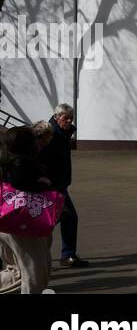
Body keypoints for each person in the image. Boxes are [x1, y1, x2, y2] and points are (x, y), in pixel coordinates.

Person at [0, 125, 55, 293]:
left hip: (8, 219)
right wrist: (41, 183)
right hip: (23, 222)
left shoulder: (6, 158)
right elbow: (20, 181)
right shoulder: (21, 161)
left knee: (16, 271)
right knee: (34, 273)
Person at [44, 104, 85, 269]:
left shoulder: (62, 134)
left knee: (60, 218)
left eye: (71, 118)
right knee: (66, 217)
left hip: (59, 183)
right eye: (65, 118)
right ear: (56, 117)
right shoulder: (51, 134)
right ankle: (66, 255)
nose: (68, 121)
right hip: (52, 184)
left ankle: (65, 254)